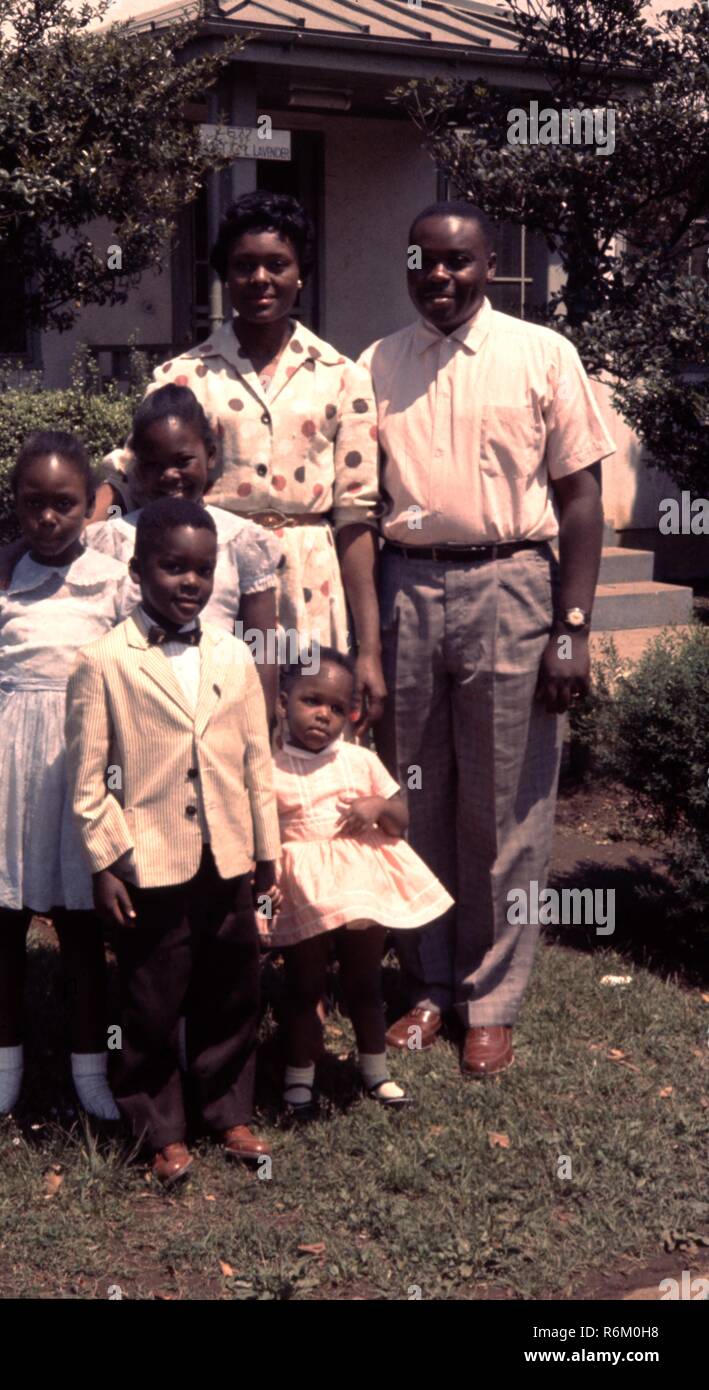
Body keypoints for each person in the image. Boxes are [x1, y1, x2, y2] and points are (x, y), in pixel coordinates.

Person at [359, 201, 615, 1077]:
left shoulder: (542, 355)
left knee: (503, 803)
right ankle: (428, 984)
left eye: (458, 262)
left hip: (512, 585)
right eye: (423, 260)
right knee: (413, 797)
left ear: (490, 264)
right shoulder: (377, 364)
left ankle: (490, 999)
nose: (439, 276)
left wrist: (571, 627)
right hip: (405, 585)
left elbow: (581, 498)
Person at [101, 191, 386, 735]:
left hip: (310, 581)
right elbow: (127, 477)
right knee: (215, 729)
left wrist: (369, 649)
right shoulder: (182, 377)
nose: (260, 278)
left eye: (277, 264)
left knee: (309, 738)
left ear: (301, 274)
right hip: (213, 575)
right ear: (225, 278)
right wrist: (21, 552)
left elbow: (356, 515)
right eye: (244, 266)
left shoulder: (342, 375)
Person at [65, 497, 282, 1187]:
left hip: (228, 854)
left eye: (202, 569)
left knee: (232, 988)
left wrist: (266, 847)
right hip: (149, 860)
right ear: (137, 570)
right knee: (151, 999)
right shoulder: (103, 662)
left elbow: (255, 760)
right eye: (172, 567)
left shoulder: (231, 654)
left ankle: (227, 1108)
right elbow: (88, 780)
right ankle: (158, 1125)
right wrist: (105, 863)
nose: (188, 582)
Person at [0, 431, 129, 1120]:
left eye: (64, 503)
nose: (47, 518)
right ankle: (2, 1069)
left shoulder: (112, 583)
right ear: (14, 504)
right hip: (3, 767)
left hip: (81, 769)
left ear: (88, 504)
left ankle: (90, 1070)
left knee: (79, 925)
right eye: (33, 503)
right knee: (6, 918)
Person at [259, 649, 453, 1117]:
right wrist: (263, 883)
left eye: (337, 708)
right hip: (303, 888)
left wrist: (376, 808)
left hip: (362, 883)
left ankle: (375, 1071)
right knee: (305, 985)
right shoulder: (269, 767)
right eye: (311, 701)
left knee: (363, 981)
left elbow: (400, 818)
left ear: (351, 715)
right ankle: (300, 1077)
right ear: (284, 703)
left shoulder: (359, 761)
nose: (323, 715)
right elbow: (260, 832)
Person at [86, 384, 282, 715]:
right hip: (135, 715)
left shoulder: (240, 540)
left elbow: (263, 648)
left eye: (182, 461)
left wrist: (260, 727)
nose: (169, 476)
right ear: (137, 469)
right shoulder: (113, 541)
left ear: (210, 455)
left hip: (219, 715)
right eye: (153, 465)